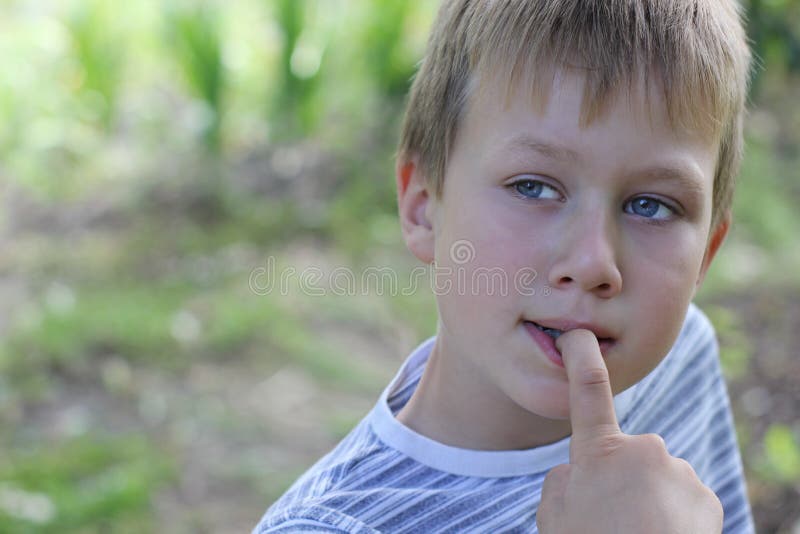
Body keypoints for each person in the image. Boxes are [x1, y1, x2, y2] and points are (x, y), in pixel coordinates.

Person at [254, 0, 754, 532]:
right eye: (533, 187)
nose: (592, 263)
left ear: (706, 253)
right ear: (424, 208)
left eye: (651, 206)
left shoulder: (682, 361)